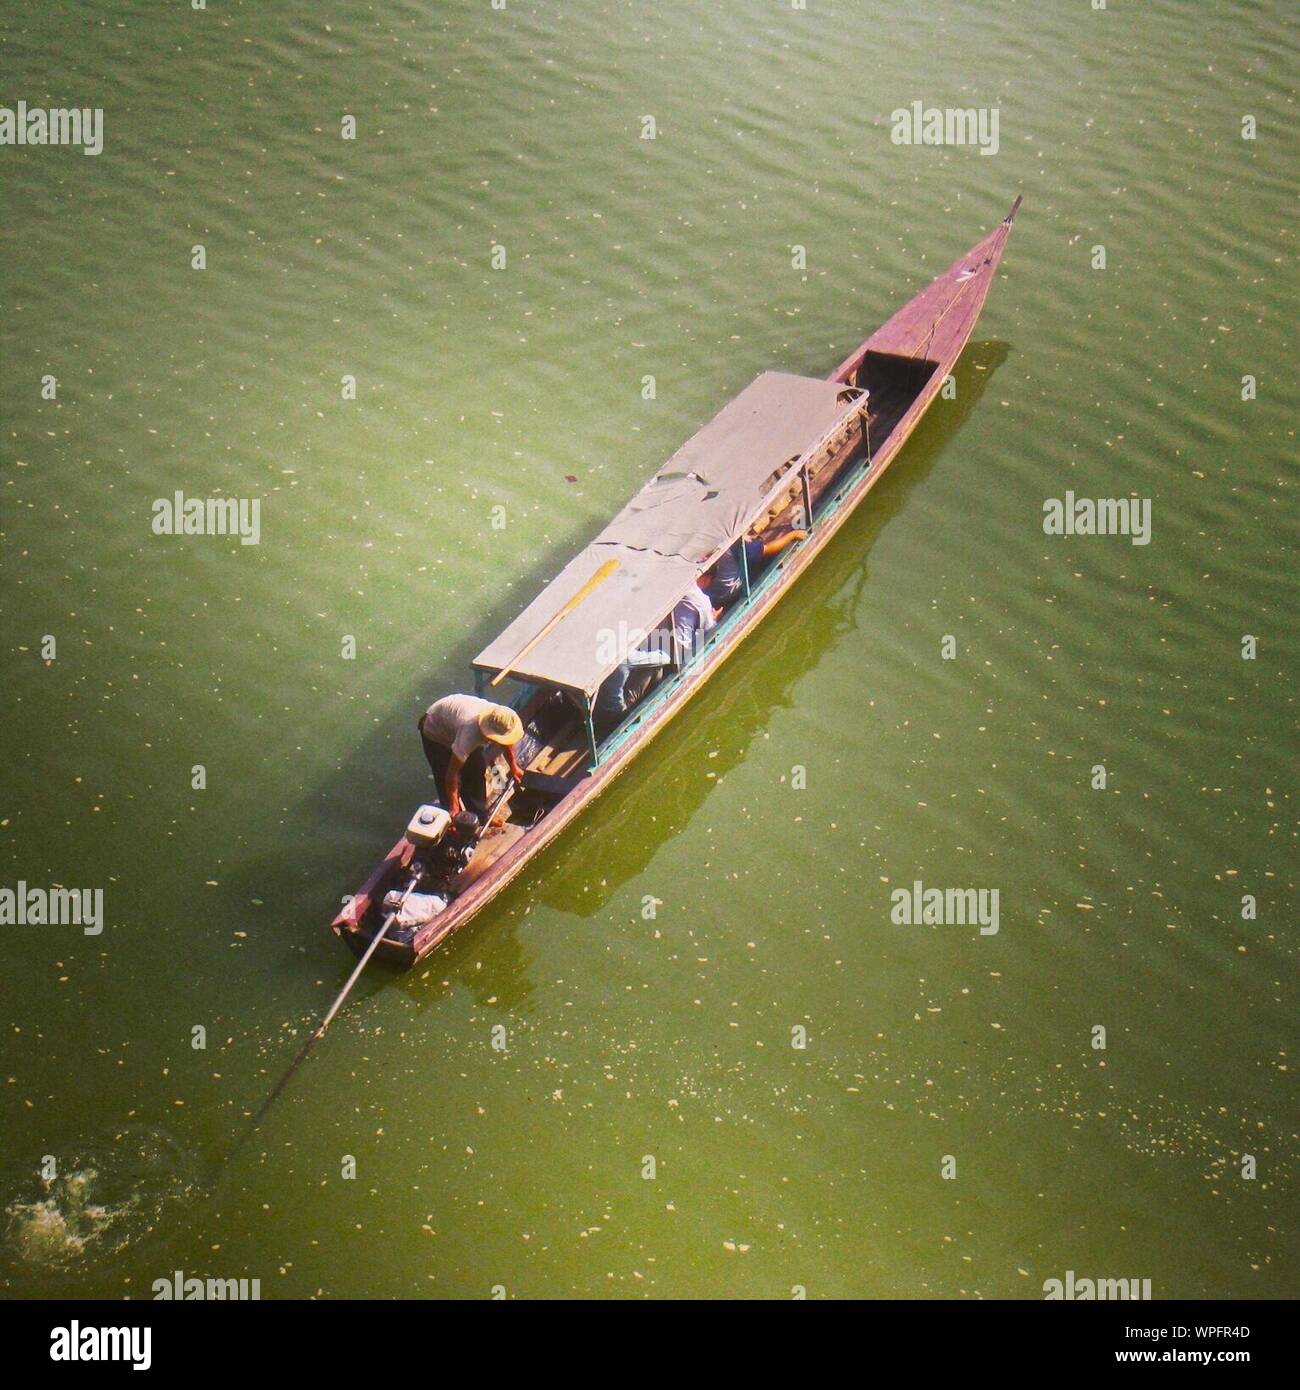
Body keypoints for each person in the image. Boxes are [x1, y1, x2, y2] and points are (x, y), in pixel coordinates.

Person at [418, 694, 524, 822]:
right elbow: (451, 775)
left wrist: (514, 766)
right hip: (435, 731)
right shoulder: (470, 733)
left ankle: (479, 816)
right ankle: (452, 819)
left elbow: (507, 740)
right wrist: (454, 806)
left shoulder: (502, 717)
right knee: (444, 773)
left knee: (477, 769)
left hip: (455, 723)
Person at [711, 526, 807, 605]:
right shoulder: (737, 545)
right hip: (730, 593)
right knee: (762, 555)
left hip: (714, 596)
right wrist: (793, 535)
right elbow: (768, 549)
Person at [595, 642, 672, 735]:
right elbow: (665, 658)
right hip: (617, 713)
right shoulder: (627, 655)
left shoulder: (599, 652)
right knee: (655, 666)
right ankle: (652, 699)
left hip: (596, 709)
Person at [672, 573, 721, 664]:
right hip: (678, 653)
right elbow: (710, 632)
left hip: (658, 641)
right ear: (706, 579)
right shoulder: (701, 600)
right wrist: (714, 618)